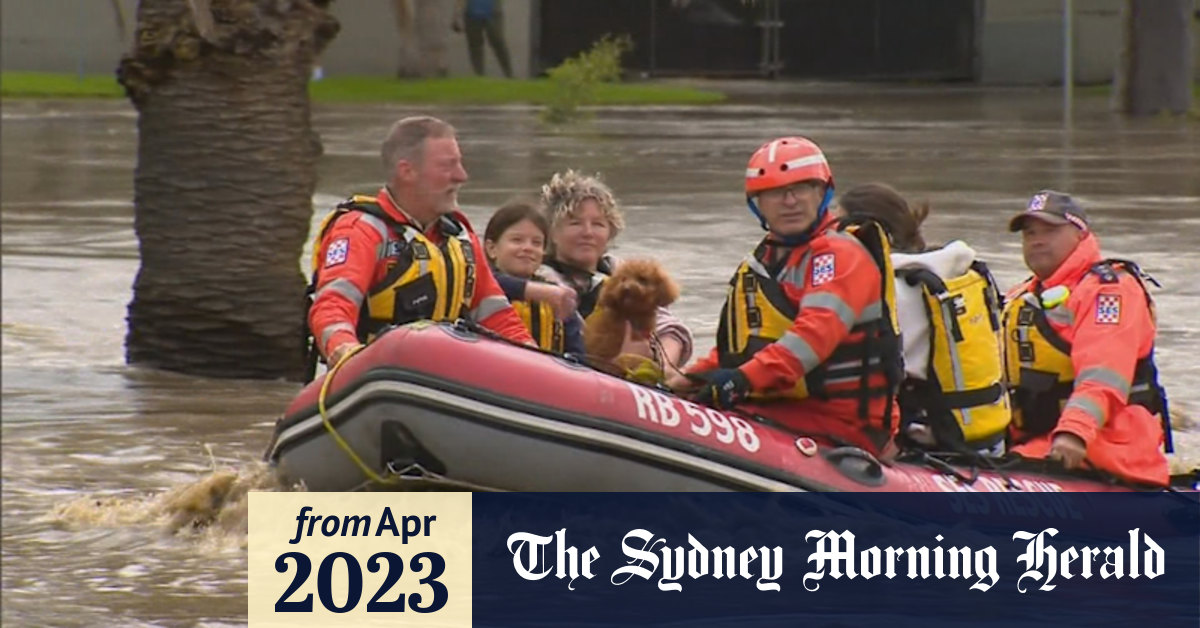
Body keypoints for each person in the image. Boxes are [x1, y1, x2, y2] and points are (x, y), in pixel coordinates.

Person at [666, 137, 901, 456]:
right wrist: (687, 379)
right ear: (758, 203)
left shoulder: (839, 255)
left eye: (801, 189)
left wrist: (740, 381)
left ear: (822, 193)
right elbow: (740, 348)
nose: (789, 201)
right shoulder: (767, 260)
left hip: (843, 423)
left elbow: (811, 339)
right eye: (775, 192)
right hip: (789, 406)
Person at [306, 116, 532, 376]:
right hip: (375, 385)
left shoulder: (459, 236)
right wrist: (345, 350)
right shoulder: (362, 231)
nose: (462, 176)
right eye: (448, 166)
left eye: (459, 163)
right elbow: (332, 307)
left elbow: (500, 319)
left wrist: (538, 365)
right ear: (407, 171)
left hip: (446, 385)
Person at [1003, 190, 1170, 486]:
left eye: (1050, 230)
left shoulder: (1109, 291)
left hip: (1106, 448)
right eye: (1029, 233)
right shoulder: (1023, 295)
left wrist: (1073, 433)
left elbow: (1103, 376)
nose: (1037, 240)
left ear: (1080, 235)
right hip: (1035, 442)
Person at [836, 183, 1011, 456]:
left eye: (839, 227)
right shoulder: (946, 274)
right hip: (984, 434)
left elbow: (871, 371)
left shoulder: (894, 290)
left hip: (928, 437)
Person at [538, 169, 694, 379]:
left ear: (610, 232)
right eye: (575, 223)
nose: (588, 232)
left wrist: (664, 366)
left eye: (598, 224)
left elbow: (670, 327)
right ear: (552, 233)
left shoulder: (623, 273)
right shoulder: (541, 281)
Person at [484, 199, 586, 354]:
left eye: (536, 243)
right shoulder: (478, 282)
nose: (527, 248)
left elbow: (576, 352)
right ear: (491, 248)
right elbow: (492, 282)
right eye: (516, 240)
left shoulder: (557, 298)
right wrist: (535, 291)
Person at [452, 0, 514, 78]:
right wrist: (456, 15)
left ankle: (509, 74)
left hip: (493, 12)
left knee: (498, 42)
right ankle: (479, 75)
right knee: (475, 46)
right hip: (471, 13)